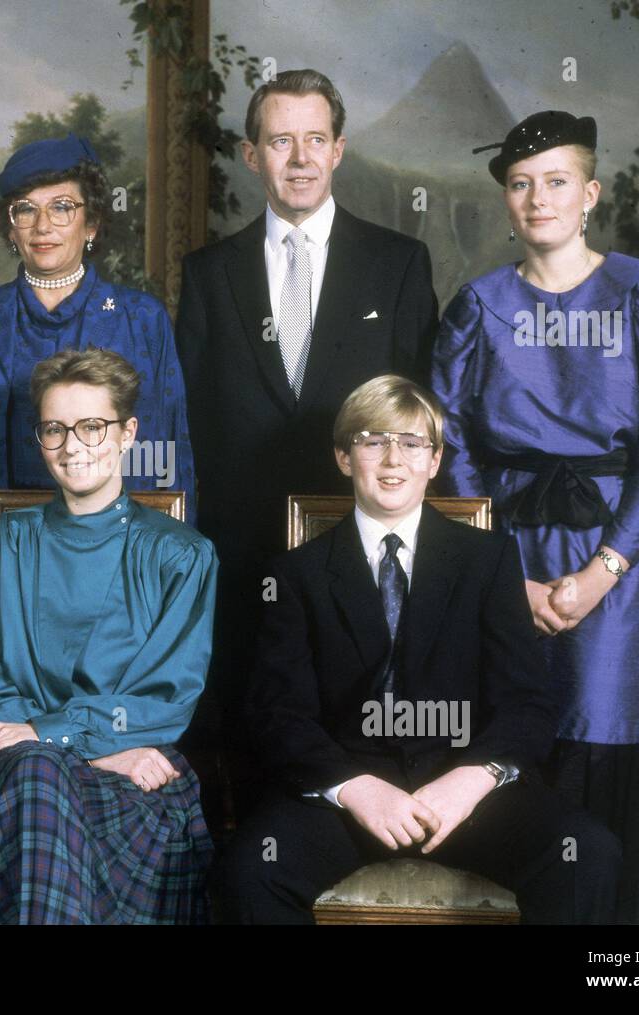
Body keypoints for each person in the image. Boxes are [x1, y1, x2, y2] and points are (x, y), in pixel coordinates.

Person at [214, 375, 621, 924]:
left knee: (587, 853)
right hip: (349, 795)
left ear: (434, 461)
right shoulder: (295, 575)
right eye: (372, 441)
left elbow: (528, 704)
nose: (393, 459)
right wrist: (355, 789)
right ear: (343, 457)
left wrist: (470, 781)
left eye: (411, 443)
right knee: (250, 870)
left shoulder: (488, 560)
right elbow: (277, 713)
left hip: (463, 789)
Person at [431, 110, 639, 924]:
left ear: (591, 193)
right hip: (503, 542)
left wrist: (603, 570)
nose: (537, 198)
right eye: (520, 184)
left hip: (616, 544)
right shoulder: (479, 303)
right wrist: (502, 573)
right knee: (508, 731)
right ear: (506, 201)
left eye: (555, 181)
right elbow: (449, 442)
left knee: (596, 728)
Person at [174, 69, 439, 805]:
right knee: (244, 750)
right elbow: (187, 420)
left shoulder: (397, 264)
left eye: (315, 140)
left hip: (355, 542)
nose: (299, 159)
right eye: (280, 141)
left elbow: (421, 412)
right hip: (240, 551)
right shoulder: (209, 273)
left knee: (352, 737)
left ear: (339, 150)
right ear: (251, 154)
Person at [0, 348, 217, 923]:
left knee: (40, 781)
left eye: (92, 427)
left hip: (137, 782)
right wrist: (90, 751)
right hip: (21, 772)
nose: (73, 447)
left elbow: (167, 699)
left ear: (127, 433)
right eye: (55, 429)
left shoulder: (182, 555)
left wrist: (52, 735)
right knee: (36, 776)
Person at [0, 133, 196, 530]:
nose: (43, 226)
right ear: (11, 230)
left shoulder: (141, 319)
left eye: (62, 207)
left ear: (91, 223)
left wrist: (168, 551)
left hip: (117, 547)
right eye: (26, 210)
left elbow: (168, 457)